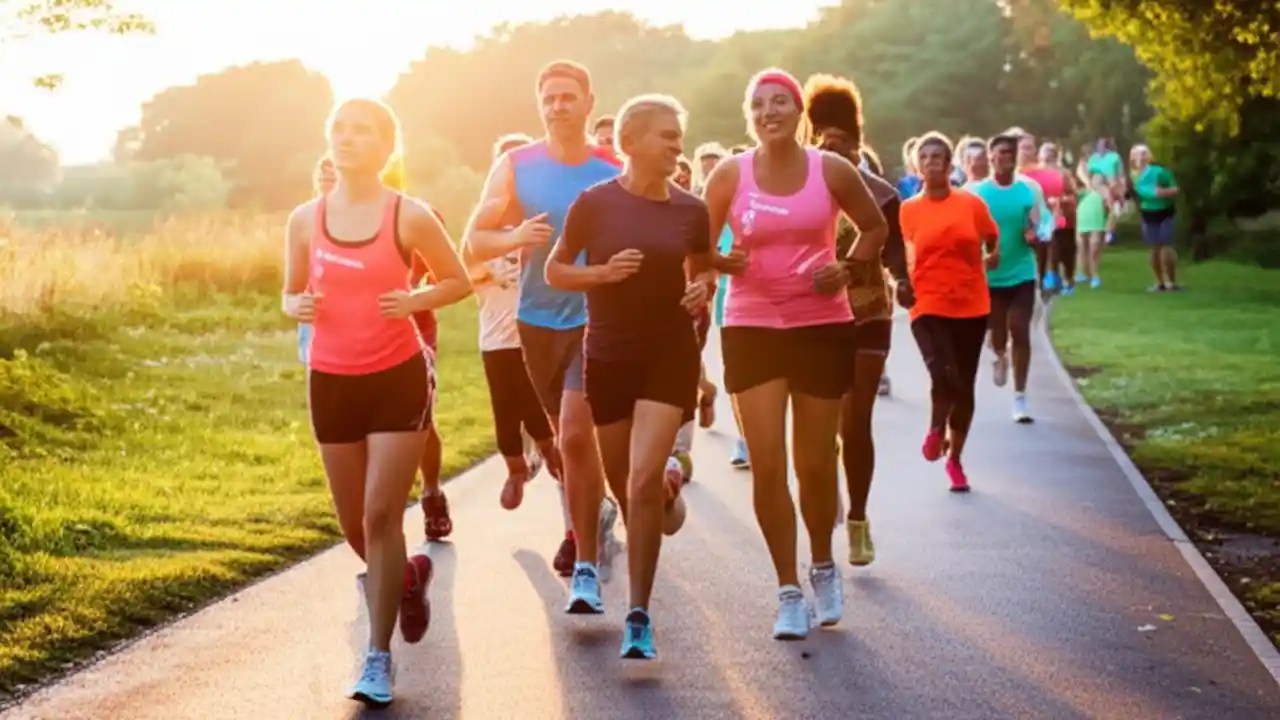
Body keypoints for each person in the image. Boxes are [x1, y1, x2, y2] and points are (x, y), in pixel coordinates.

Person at [282, 98, 472, 707]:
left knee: (381, 516)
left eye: (361, 130)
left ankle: (378, 657)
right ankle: (408, 577)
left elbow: (459, 280)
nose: (347, 138)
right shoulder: (304, 219)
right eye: (338, 127)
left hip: (396, 376)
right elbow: (290, 293)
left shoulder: (408, 216)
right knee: (354, 527)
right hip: (331, 380)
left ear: (386, 147)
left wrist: (414, 301)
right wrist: (298, 307)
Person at [705, 68, 888, 639]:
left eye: (780, 101)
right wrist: (718, 262)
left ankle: (823, 564)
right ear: (749, 115)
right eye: (758, 104)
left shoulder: (830, 169)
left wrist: (849, 266)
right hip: (751, 325)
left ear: (798, 111)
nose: (769, 112)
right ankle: (788, 590)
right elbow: (699, 246)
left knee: (813, 463)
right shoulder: (729, 175)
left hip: (820, 326)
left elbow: (875, 227)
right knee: (767, 465)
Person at [546, 93, 709, 655]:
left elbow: (703, 265)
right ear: (632, 142)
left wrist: (702, 287)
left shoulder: (691, 209)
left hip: (669, 353)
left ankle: (639, 615)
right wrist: (604, 275)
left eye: (678, 137)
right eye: (666, 136)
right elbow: (557, 269)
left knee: (638, 482)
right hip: (608, 356)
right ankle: (664, 501)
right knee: (631, 489)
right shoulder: (595, 204)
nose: (676, 146)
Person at [463, 60, 621, 598]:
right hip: (535, 321)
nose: (558, 106)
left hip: (595, 317)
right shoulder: (515, 165)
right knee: (567, 441)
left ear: (588, 101)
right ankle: (594, 514)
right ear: (540, 105)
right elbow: (475, 241)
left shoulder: (612, 167)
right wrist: (516, 238)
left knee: (576, 436)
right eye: (549, 98)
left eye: (567, 96)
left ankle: (585, 569)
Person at [804, 72, 910, 566]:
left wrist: (903, 280)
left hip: (868, 313)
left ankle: (858, 520)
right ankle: (830, 501)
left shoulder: (882, 193)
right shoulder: (799, 190)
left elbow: (895, 256)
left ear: (856, 140)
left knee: (856, 420)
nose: (831, 146)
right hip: (813, 319)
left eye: (841, 139)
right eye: (822, 137)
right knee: (821, 428)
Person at [899, 132, 998, 492]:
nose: (930, 162)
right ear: (917, 165)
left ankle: (955, 458)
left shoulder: (970, 205)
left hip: (970, 303)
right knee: (942, 373)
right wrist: (899, 282)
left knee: (964, 386)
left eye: (937, 156)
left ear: (949, 164)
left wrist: (993, 254)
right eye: (924, 156)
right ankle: (935, 429)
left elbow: (990, 236)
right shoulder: (908, 210)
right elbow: (899, 254)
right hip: (926, 303)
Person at [469, 132, 559, 510]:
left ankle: (555, 458)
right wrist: (490, 276)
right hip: (496, 338)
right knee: (506, 412)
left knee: (540, 409)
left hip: (538, 334)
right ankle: (516, 470)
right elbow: (463, 270)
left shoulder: (543, 221)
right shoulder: (482, 232)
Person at [971, 134, 1040, 424]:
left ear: (1015, 158)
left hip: (1022, 272)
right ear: (990, 157)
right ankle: (999, 353)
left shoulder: (1028, 191)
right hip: (989, 277)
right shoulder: (977, 193)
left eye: (1010, 154)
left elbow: (1040, 225)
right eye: (1000, 153)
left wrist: (1034, 234)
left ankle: (1020, 398)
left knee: (1020, 329)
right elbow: (967, 232)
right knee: (998, 333)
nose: (1005, 158)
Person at [1129, 143, 1181, 291]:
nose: (1142, 156)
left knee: (1166, 247)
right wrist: (1158, 193)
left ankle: (1171, 281)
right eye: (1139, 153)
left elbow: (1174, 189)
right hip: (1148, 214)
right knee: (1154, 249)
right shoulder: (1134, 176)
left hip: (1165, 212)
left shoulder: (1159, 172)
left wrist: (1163, 193)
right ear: (1133, 158)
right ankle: (1160, 283)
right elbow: (1146, 193)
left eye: (1145, 153)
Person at [1036, 141, 1079, 294]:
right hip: (1042, 218)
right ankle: (1046, 279)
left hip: (1064, 218)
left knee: (1066, 249)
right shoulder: (1035, 174)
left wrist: (1060, 200)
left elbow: (1073, 195)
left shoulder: (1063, 174)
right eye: (1044, 153)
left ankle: (1068, 278)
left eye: (1050, 154)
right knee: (1045, 248)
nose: (1047, 157)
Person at [1086, 138, 1126, 244]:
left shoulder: (1114, 157)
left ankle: (1107, 233)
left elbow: (1120, 174)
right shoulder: (1094, 158)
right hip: (1100, 185)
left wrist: (1120, 187)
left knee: (1114, 208)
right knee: (1112, 206)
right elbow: (1090, 173)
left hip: (1111, 184)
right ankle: (1105, 233)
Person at [1075, 171, 1109, 288]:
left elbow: (1111, 207)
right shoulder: (1085, 191)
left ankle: (1095, 276)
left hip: (1096, 223)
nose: (1096, 180)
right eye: (1094, 178)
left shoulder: (1104, 191)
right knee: (1081, 248)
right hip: (1082, 222)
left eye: (1098, 178)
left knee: (1094, 249)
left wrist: (1109, 227)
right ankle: (1082, 273)